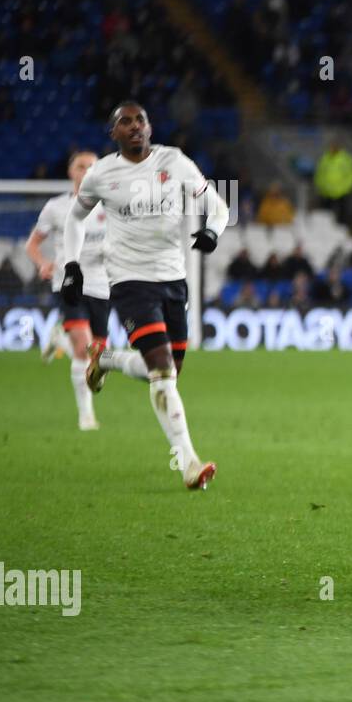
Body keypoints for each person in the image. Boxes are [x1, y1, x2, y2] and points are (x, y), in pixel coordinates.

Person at [60, 100, 228, 489]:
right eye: (125, 122)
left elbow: (217, 207)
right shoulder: (102, 173)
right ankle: (188, 462)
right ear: (113, 133)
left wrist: (212, 232)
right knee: (163, 370)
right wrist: (71, 265)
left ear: (150, 128)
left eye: (140, 120)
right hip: (129, 281)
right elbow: (75, 218)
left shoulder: (176, 162)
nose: (134, 127)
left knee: (168, 371)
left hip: (173, 279)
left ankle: (109, 359)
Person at [25, 149, 145, 430]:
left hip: (102, 286)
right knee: (83, 346)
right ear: (70, 172)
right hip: (69, 284)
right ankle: (86, 417)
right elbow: (32, 245)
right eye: (81, 166)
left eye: (92, 166)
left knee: (96, 355)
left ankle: (59, 339)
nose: (87, 171)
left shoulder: (111, 207)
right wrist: (43, 263)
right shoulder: (55, 208)